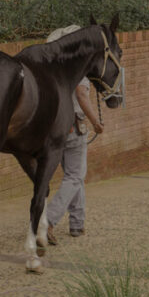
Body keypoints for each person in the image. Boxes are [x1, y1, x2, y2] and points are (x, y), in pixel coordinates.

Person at [45, 24, 104, 243]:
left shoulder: (52, 64)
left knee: (74, 173)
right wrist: (96, 121)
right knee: (75, 175)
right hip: (73, 127)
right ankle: (49, 221)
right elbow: (81, 94)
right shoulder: (78, 65)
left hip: (53, 128)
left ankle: (77, 224)